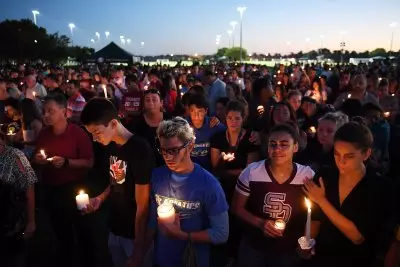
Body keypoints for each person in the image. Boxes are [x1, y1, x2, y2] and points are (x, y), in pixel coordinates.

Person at [303, 120, 391, 267]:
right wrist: (308, 241)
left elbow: (358, 237)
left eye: (349, 156)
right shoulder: (325, 175)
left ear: (366, 153)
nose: (341, 161)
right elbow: (314, 216)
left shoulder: (379, 186)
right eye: (337, 154)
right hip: (322, 258)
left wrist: (322, 200)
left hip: (357, 260)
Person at [144, 117, 229, 267]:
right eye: (163, 150)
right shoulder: (157, 176)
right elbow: (152, 220)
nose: (168, 156)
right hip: (160, 259)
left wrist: (182, 235)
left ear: (190, 146)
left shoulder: (209, 184)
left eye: (174, 150)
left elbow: (221, 234)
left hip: (192, 259)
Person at [81, 98, 155, 267]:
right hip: (115, 227)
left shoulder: (139, 150)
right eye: (91, 133)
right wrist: (100, 198)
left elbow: (143, 205)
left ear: (114, 123)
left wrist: (138, 247)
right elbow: (117, 179)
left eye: (97, 132)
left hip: (133, 233)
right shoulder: (112, 144)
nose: (94, 139)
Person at [232, 124, 315, 267]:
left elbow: (314, 215)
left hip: (289, 249)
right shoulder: (252, 172)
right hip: (254, 246)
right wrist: (260, 223)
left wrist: (308, 240)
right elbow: (236, 208)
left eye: (284, 145)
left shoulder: (306, 176)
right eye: (273, 144)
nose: (277, 149)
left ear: (295, 147)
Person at [34, 94, 95, 267]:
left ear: (64, 112)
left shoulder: (78, 133)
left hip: (74, 189)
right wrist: (38, 159)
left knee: (82, 229)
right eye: (44, 111)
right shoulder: (44, 134)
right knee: (60, 229)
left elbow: (89, 162)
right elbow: (36, 156)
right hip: (51, 188)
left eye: (51, 111)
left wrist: (67, 162)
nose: (46, 115)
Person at [0, 137, 37, 267]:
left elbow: (29, 187)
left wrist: (31, 221)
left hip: (12, 220)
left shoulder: (15, 156)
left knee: (13, 257)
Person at [128, 89, 172, 167]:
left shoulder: (171, 121)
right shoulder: (135, 123)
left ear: (161, 103)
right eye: (147, 100)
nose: (151, 103)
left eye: (154, 100)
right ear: (144, 104)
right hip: (144, 166)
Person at [187, 94, 226, 170]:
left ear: (206, 111)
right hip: (189, 171)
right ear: (189, 111)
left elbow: (229, 132)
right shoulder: (183, 126)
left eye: (200, 111)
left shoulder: (213, 124)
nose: (196, 115)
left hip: (209, 171)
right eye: (193, 111)